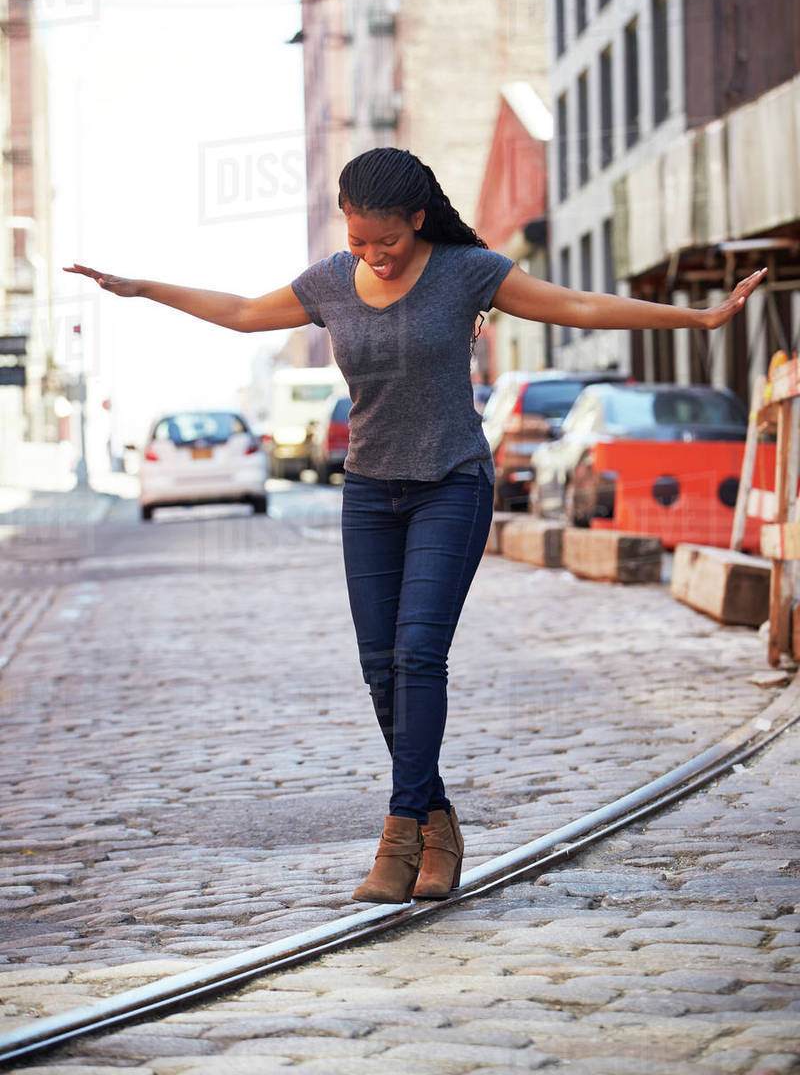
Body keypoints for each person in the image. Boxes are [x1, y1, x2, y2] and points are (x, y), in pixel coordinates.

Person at [65, 146, 765, 906]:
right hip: (369, 494)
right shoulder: (332, 281)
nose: (374, 256)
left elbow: (580, 306)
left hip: (451, 485)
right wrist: (143, 289)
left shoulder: (467, 271)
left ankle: (401, 832)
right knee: (379, 670)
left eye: (387, 242)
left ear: (418, 220)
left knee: (418, 654)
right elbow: (239, 313)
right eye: (361, 241)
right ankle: (440, 823)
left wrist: (696, 317)